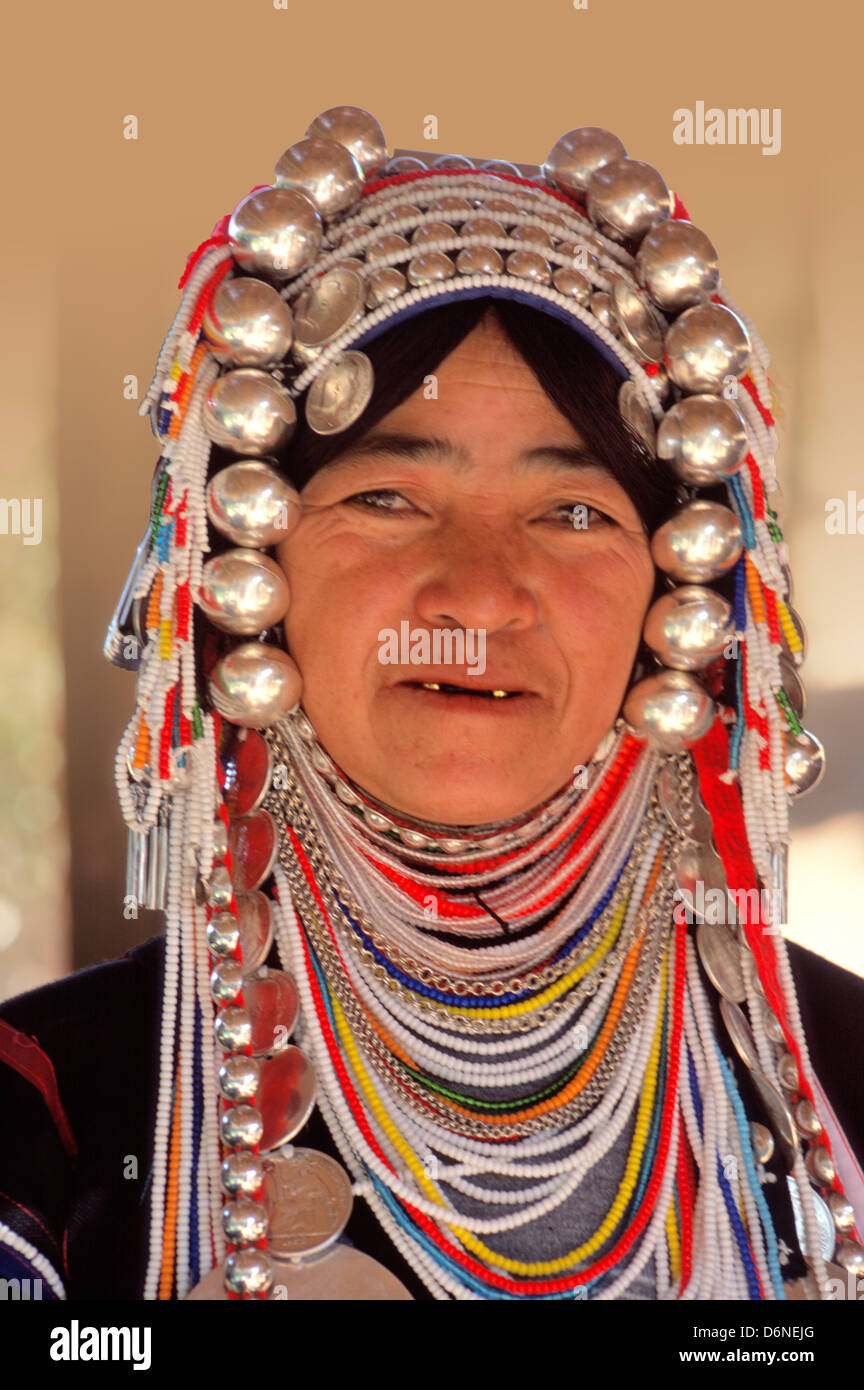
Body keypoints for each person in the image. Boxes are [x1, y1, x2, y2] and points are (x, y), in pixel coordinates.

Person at [1, 106, 862, 1303]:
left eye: (573, 514)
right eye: (391, 498)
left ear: (677, 594)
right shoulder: (47, 1116)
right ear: (250, 568)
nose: (481, 591)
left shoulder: (842, 1092)